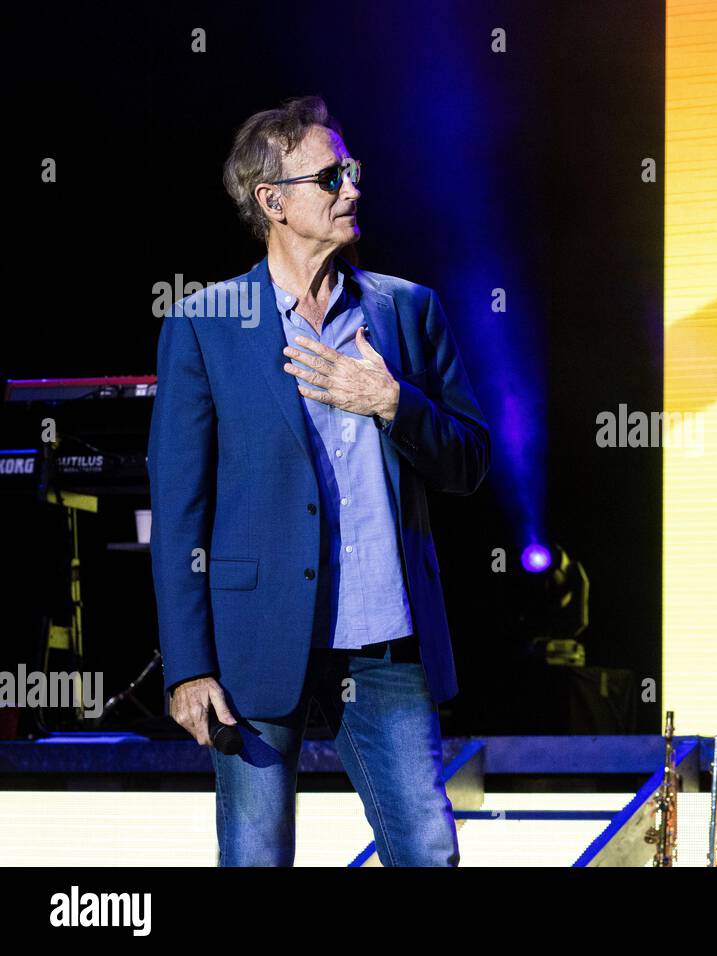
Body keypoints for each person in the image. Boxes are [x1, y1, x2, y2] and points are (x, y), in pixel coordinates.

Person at [148, 96, 490, 864]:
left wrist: (394, 404)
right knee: (257, 855)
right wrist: (189, 664)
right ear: (273, 201)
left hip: (383, 637)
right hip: (253, 641)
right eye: (332, 175)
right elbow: (178, 512)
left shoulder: (408, 311)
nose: (353, 189)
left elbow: (469, 461)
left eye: (353, 171)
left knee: (427, 851)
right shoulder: (205, 324)